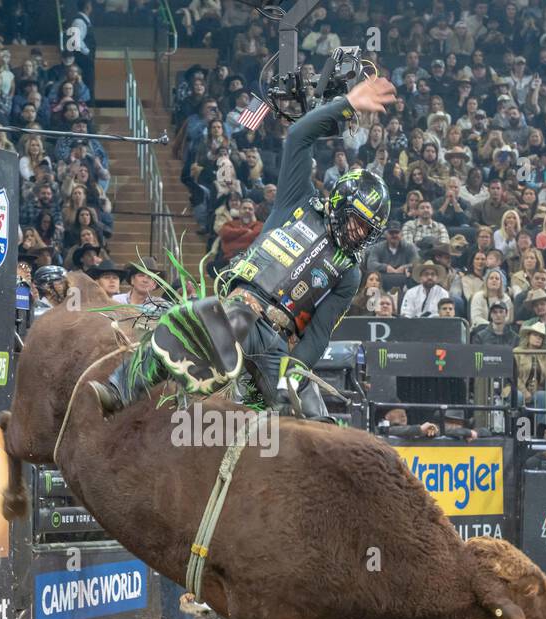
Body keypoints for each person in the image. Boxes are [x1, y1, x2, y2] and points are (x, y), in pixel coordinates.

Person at [91, 75, 398, 415]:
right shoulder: (298, 199)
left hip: (277, 345)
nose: (356, 233)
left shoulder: (350, 273)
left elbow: (318, 335)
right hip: (242, 309)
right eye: (355, 220)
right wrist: (346, 105)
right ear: (340, 201)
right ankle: (118, 390)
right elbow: (298, 136)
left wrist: (292, 378)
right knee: (196, 328)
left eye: (365, 229)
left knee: (314, 415)